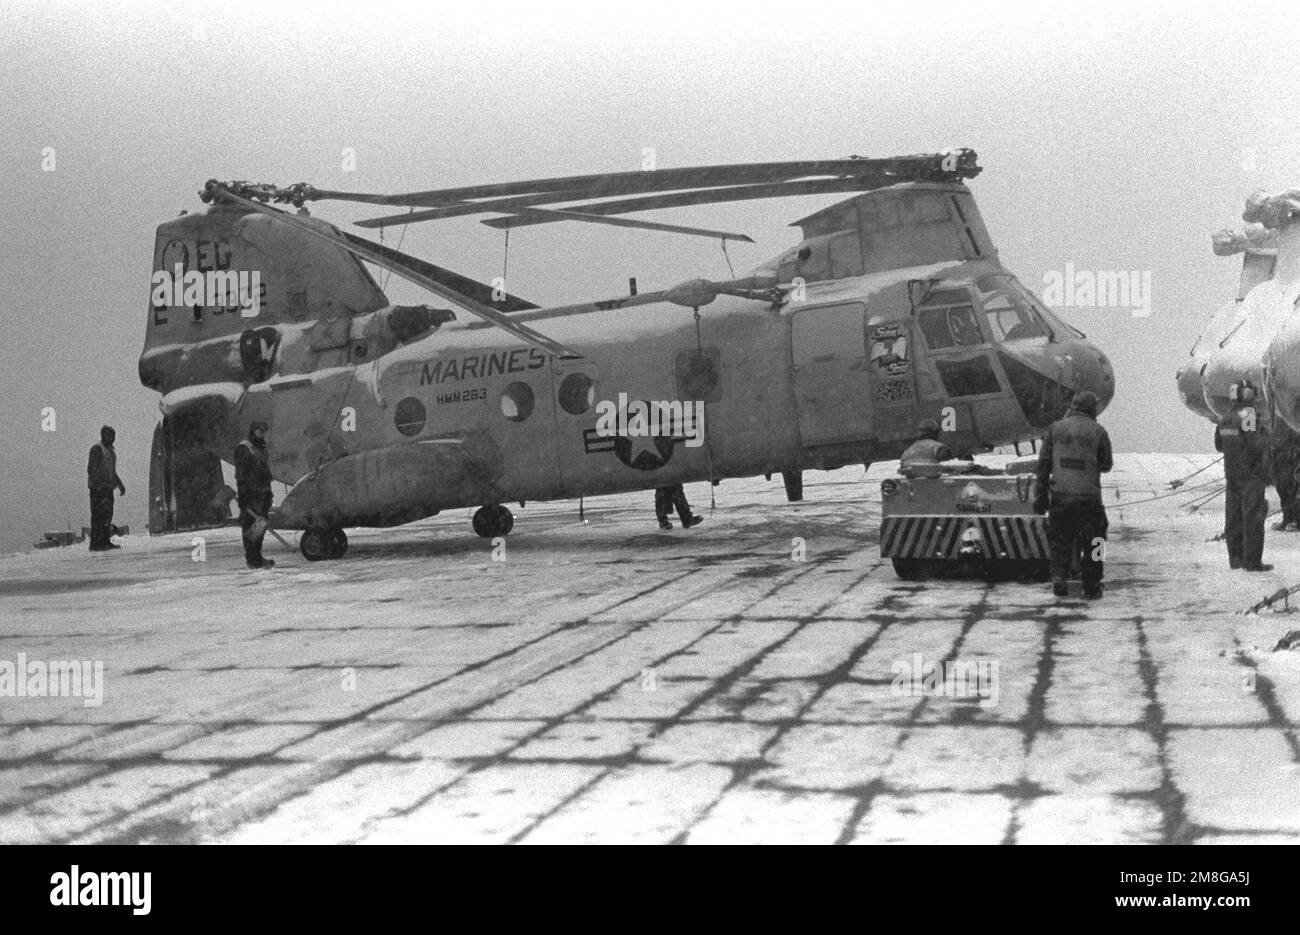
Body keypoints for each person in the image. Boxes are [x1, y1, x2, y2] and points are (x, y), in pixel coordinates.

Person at [1034, 391, 1113, 598]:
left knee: (1060, 540)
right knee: (1096, 541)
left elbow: (1043, 466)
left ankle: (1059, 578)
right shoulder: (1098, 431)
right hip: (1089, 498)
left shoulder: (1056, 428)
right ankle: (1092, 583)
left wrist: (1040, 497)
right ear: (1093, 408)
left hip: (1061, 496)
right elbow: (1106, 465)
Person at [1215, 380, 1272, 571]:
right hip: (1251, 476)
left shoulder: (1226, 417)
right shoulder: (1248, 414)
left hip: (1232, 476)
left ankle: (1236, 559)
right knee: (1253, 519)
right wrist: (1265, 435)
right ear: (1247, 394)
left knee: (1233, 519)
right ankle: (1252, 562)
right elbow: (1256, 444)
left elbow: (1219, 445)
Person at [235, 421, 275, 569]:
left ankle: (257, 557)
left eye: (264, 431)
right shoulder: (245, 448)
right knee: (251, 527)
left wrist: (268, 491)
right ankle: (252, 559)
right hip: (251, 495)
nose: (262, 434)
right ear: (253, 431)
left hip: (262, 494)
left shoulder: (261, 448)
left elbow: (265, 471)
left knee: (260, 527)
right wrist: (243, 496)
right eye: (260, 431)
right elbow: (241, 475)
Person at [87, 425, 126, 551]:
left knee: (107, 516)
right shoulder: (97, 449)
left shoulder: (111, 452)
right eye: (110, 436)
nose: (113, 439)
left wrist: (119, 484)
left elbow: (112, 471)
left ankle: (105, 541)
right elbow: (91, 469)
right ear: (104, 436)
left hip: (108, 489)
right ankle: (95, 544)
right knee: (98, 516)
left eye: (114, 436)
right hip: (98, 490)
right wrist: (97, 485)